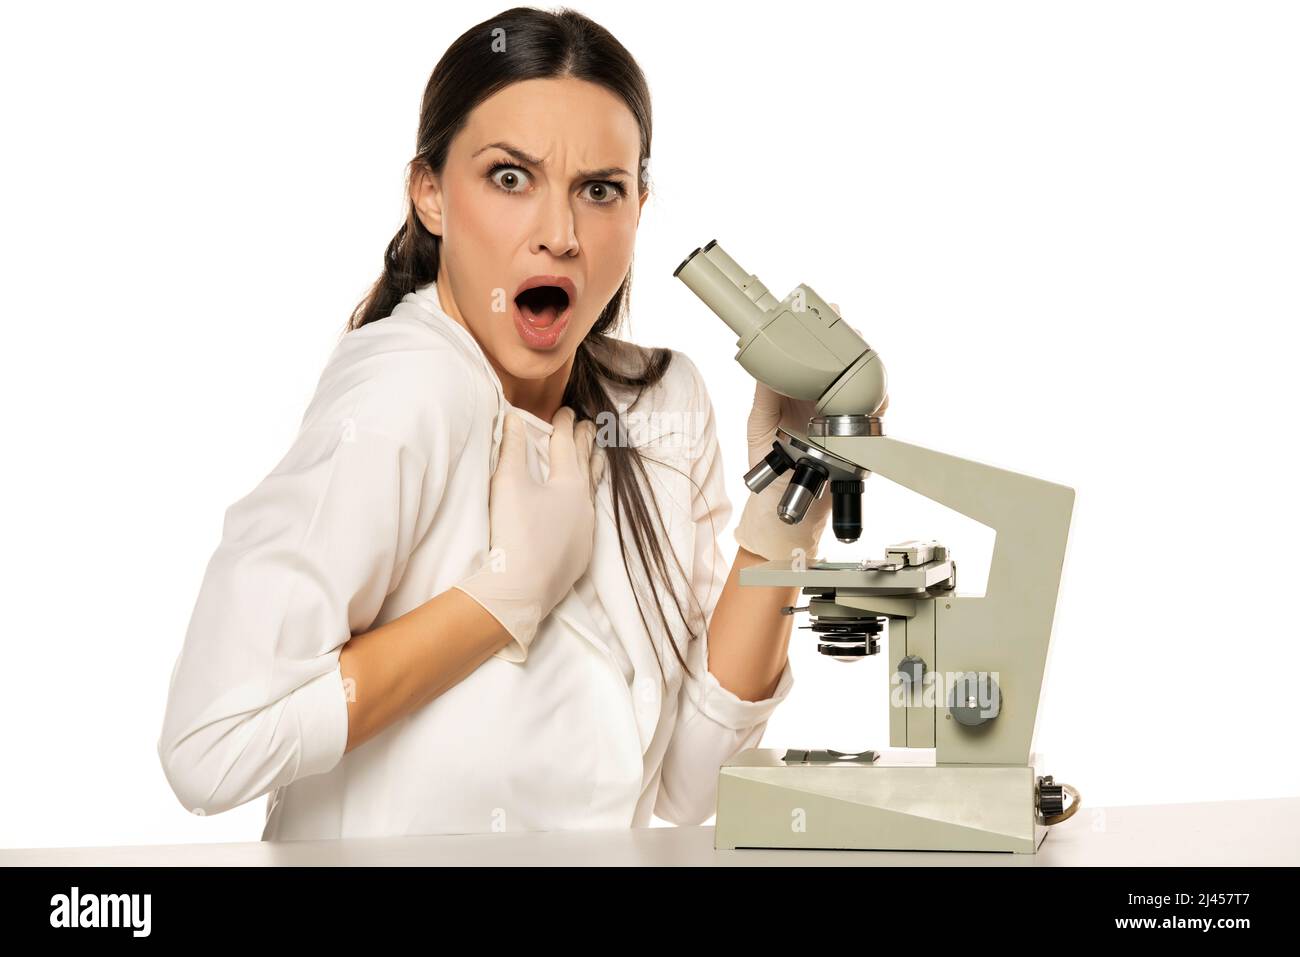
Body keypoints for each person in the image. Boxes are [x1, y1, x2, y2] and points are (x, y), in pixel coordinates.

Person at [157, 6, 878, 840]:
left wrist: (786, 511)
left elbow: (691, 780)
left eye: (599, 190)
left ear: (640, 206)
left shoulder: (657, 405)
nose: (561, 236)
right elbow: (211, 743)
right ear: (429, 194)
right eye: (509, 177)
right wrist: (497, 602)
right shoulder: (404, 389)